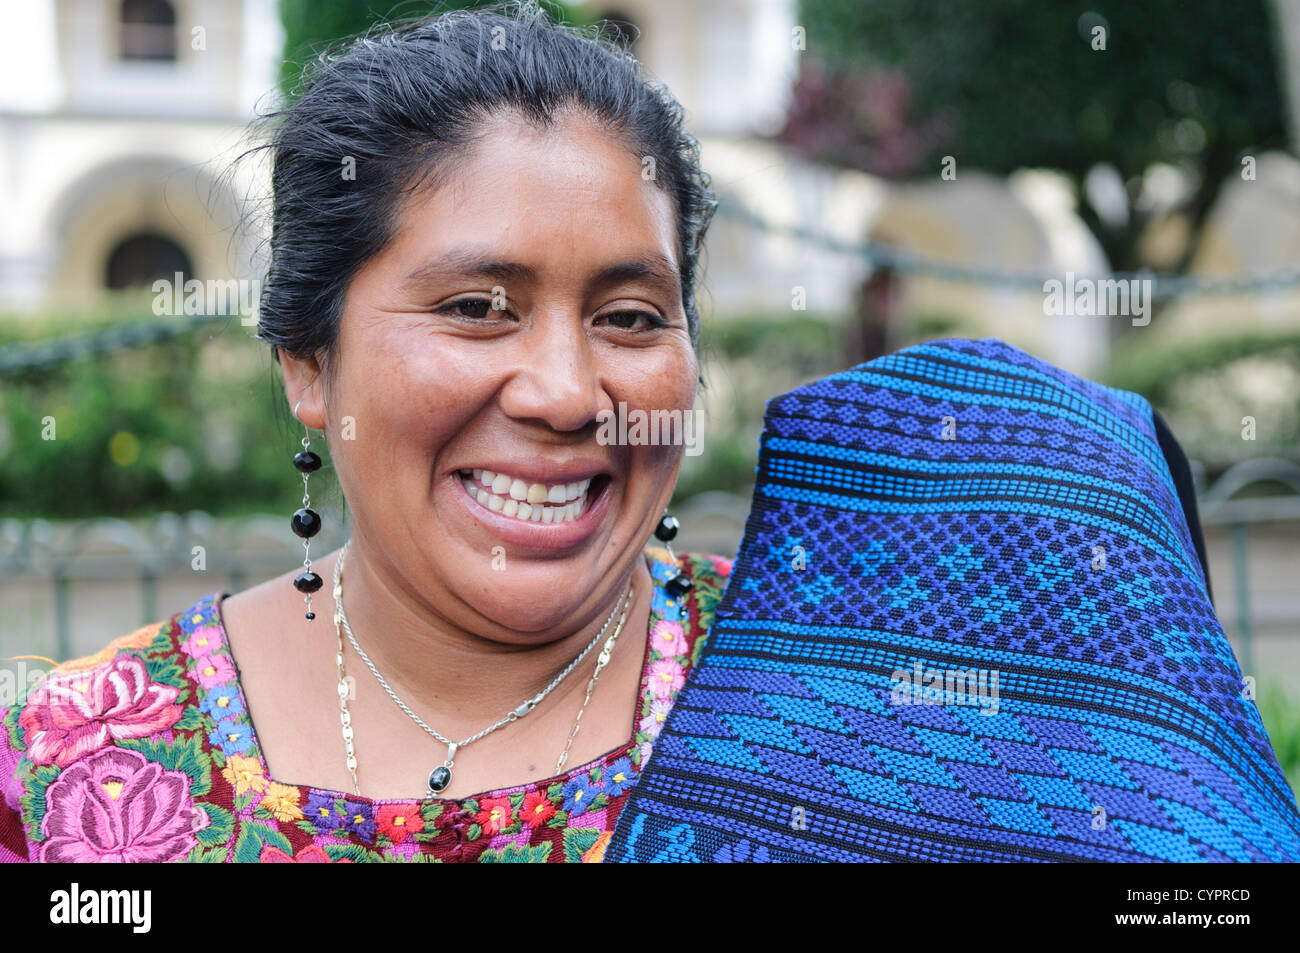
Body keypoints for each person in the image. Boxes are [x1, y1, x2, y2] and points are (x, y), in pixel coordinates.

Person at [0, 0, 731, 863]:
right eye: (476, 308)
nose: (567, 395)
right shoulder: (66, 772)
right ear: (309, 361)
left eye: (632, 317)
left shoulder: (845, 694)